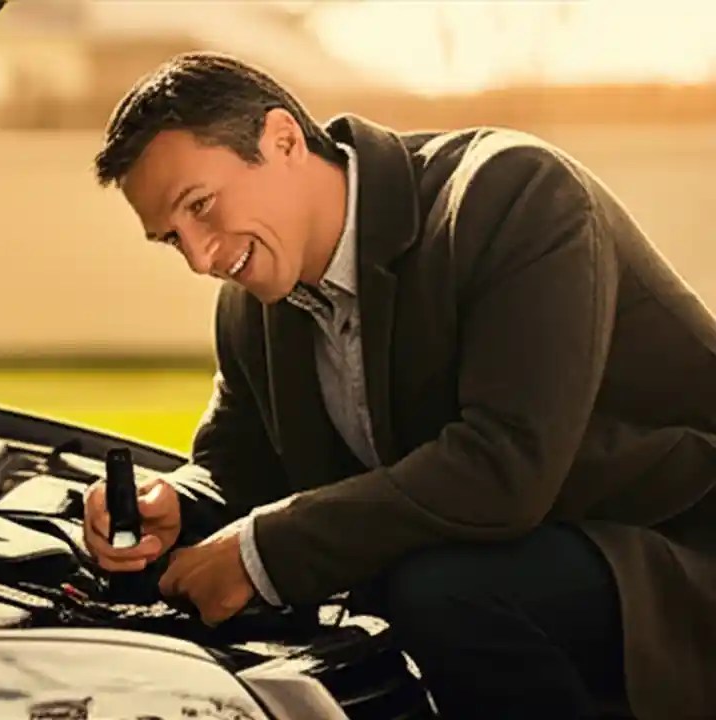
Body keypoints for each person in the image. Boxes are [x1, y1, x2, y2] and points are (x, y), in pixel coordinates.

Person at [81, 52, 716, 720]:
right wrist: (176, 506)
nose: (200, 257)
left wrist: (264, 550)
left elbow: (505, 469)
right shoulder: (252, 306)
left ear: (283, 140)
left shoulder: (513, 195)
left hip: (674, 552)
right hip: (529, 555)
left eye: (201, 206)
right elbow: (237, 471)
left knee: (441, 589)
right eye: (172, 238)